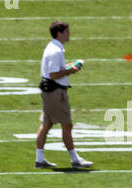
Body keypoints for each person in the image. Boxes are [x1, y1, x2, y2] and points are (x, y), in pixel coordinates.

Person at [35, 21, 92, 171]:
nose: (69, 34)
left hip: (49, 91)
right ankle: (75, 159)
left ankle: (39, 159)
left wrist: (68, 67)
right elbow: (54, 74)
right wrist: (71, 70)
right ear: (59, 33)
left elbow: (52, 71)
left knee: (46, 124)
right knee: (67, 124)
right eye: (67, 31)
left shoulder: (53, 47)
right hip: (55, 92)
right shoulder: (56, 51)